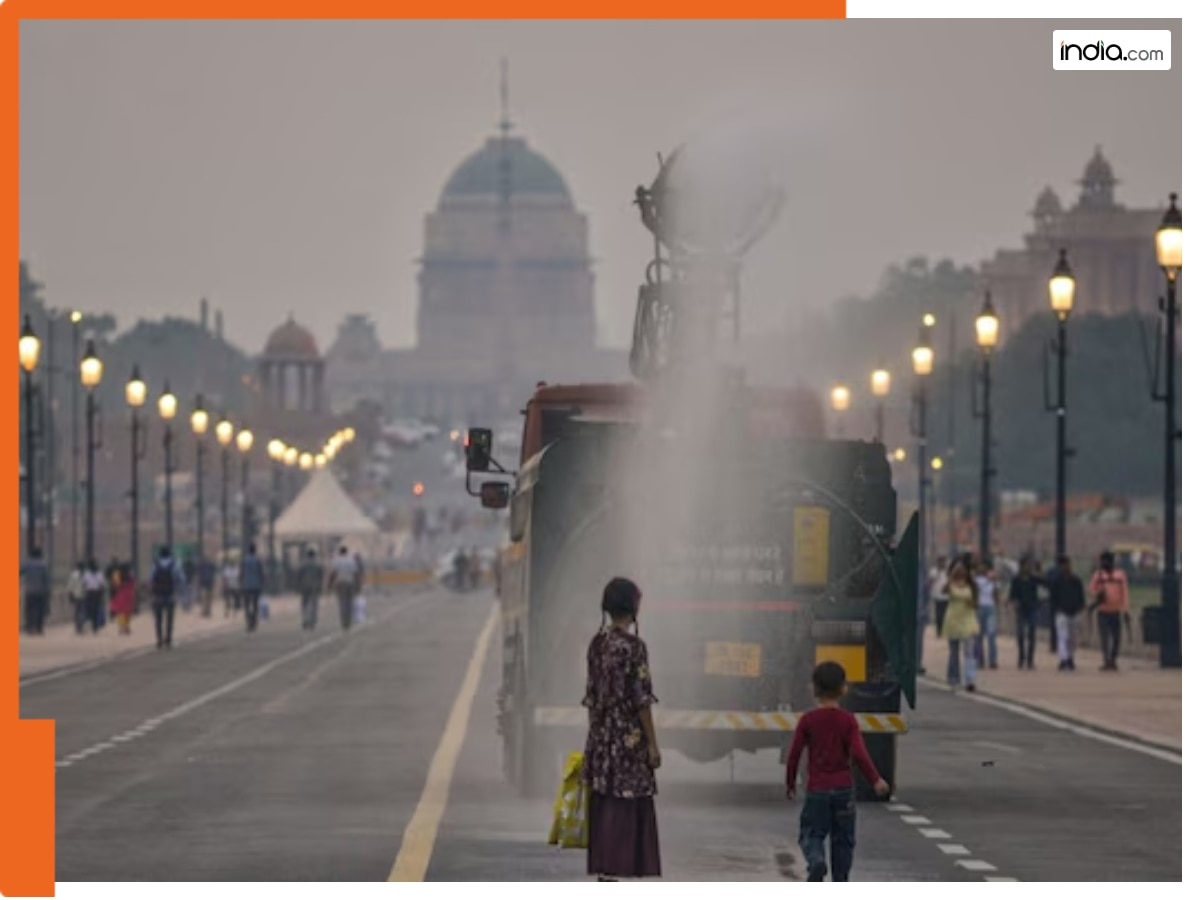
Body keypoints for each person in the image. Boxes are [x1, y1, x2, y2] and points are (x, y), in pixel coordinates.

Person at [581, 577, 662, 881]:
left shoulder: (596, 644)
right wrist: (652, 745)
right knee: (628, 802)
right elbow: (641, 701)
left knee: (605, 800)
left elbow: (591, 697)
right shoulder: (634, 648)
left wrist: (595, 739)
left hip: (602, 737)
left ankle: (606, 870)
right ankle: (623, 870)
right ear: (633, 606)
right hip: (629, 740)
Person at [785, 661, 890, 882]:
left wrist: (790, 784)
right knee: (843, 841)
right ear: (844, 688)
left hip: (817, 790)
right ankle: (840, 880)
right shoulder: (847, 721)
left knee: (811, 834)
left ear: (813, 689)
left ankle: (815, 860)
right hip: (843, 789)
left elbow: (794, 754)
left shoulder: (808, 720)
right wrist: (876, 780)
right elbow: (860, 754)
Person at [942, 556, 980, 692]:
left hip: (968, 619)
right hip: (953, 619)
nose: (960, 571)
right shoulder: (950, 584)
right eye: (957, 569)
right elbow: (944, 590)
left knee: (969, 652)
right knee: (954, 652)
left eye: (962, 569)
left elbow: (976, 603)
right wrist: (951, 577)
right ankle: (953, 678)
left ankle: (970, 680)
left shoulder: (972, 585)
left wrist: (972, 602)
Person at [1089, 551, 1131, 671]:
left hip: (1116, 610)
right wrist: (1098, 593)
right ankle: (1107, 660)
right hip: (1103, 610)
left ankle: (1113, 659)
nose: (1105, 563)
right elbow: (1091, 589)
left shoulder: (1120, 575)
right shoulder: (1098, 575)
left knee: (1117, 638)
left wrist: (1126, 609)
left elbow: (1125, 593)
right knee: (1105, 638)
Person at [1048, 555, 1086, 671]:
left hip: (1074, 612)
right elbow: (1053, 598)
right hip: (1061, 612)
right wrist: (1055, 609)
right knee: (1062, 636)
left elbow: (1081, 595)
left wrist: (1081, 606)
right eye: (1064, 564)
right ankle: (1064, 659)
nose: (1066, 566)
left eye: (1068, 564)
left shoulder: (1076, 580)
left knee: (1072, 638)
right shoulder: (1057, 582)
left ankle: (1070, 657)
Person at [1008, 557, 1043, 670]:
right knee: (1021, 634)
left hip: (1032, 608)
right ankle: (1021, 657)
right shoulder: (1016, 580)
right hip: (1021, 609)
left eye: (1030, 565)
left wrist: (1039, 571)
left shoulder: (1034, 579)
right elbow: (1012, 594)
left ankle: (1030, 659)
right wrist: (1014, 602)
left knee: (1032, 634)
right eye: (1026, 565)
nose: (1028, 567)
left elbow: (1045, 584)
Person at [149, 545, 182, 650]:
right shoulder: (175, 565)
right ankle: (168, 639)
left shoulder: (155, 565)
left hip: (157, 595)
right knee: (169, 618)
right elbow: (181, 579)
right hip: (170, 594)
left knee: (158, 619)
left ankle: (159, 640)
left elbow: (150, 578)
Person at [973, 557, 1000, 669]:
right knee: (978, 635)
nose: (982, 568)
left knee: (991, 635)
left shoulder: (993, 580)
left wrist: (993, 582)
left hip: (990, 607)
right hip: (979, 607)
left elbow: (996, 594)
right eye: (981, 566)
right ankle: (979, 659)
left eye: (985, 566)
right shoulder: (975, 580)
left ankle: (993, 660)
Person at [327, 545, 360, 631]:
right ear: (346, 552)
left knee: (342, 603)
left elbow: (333, 574)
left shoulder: (336, 561)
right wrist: (357, 586)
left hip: (340, 583)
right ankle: (348, 621)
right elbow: (355, 574)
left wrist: (329, 586)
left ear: (339, 552)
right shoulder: (351, 560)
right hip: (350, 583)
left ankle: (343, 622)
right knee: (349, 603)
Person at [21, 547, 51, 636]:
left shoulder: (27, 564)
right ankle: (39, 628)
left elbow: (20, 572)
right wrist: (48, 590)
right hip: (41, 591)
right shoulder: (43, 565)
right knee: (40, 610)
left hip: (29, 590)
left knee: (29, 609)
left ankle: (30, 627)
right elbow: (47, 579)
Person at [296, 548, 325, 631]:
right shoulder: (318, 565)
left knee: (304, 604)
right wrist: (321, 586)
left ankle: (305, 619)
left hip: (304, 585)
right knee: (314, 604)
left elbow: (298, 575)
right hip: (314, 586)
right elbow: (321, 576)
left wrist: (298, 585)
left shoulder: (302, 564)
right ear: (314, 555)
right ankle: (312, 621)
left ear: (307, 555)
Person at [240, 543, 266, 632]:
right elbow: (261, 573)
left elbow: (241, 573)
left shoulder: (244, 560)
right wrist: (262, 583)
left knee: (247, 605)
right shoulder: (257, 560)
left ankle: (248, 622)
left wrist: (241, 583)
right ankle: (254, 622)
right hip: (256, 585)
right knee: (255, 605)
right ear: (255, 550)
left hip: (246, 585)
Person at [110, 562, 136, 636]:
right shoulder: (130, 575)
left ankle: (121, 627)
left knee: (120, 612)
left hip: (119, 595)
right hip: (129, 595)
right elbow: (133, 584)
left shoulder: (117, 574)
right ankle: (127, 626)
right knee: (128, 612)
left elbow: (115, 585)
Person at [82, 559, 107, 634]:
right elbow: (102, 584)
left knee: (91, 610)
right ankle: (95, 626)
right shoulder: (99, 573)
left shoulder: (87, 574)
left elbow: (84, 583)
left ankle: (93, 625)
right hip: (96, 593)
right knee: (96, 609)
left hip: (90, 593)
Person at [929, 556, 949, 638]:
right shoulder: (934, 571)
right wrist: (938, 572)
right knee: (939, 615)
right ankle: (939, 631)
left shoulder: (947, 571)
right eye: (940, 562)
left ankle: (945, 631)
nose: (942, 564)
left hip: (947, 596)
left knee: (946, 615)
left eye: (943, 562)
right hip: (937, 596)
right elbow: (931, 582)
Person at [67, 561, 87, 635]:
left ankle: (79, 626)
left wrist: (70, 593)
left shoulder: (73, 575)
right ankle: (79, 626)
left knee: (78, 611)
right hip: (81, 595)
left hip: (78, 595)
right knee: (80, 611)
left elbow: (70, 586)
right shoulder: (85, 575)